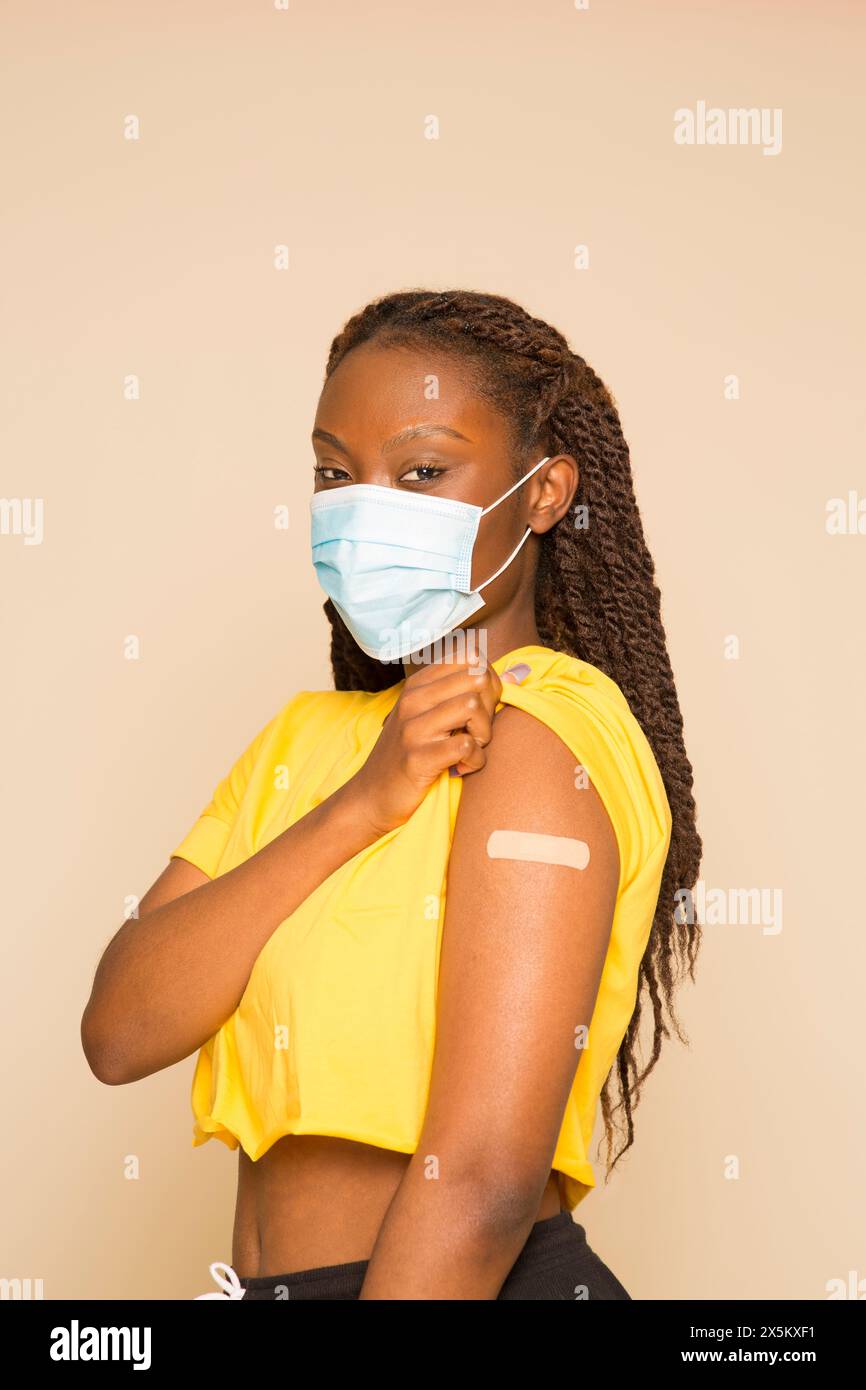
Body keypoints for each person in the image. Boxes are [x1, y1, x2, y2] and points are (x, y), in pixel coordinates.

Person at [81, 288, 703, 1301]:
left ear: (544, 494)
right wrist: (357, 807)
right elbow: (120, 1029)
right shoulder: (309, 740)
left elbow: (483, 1182)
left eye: (421, 470)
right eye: (336, 472)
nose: (367, 507)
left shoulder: (541, 734)